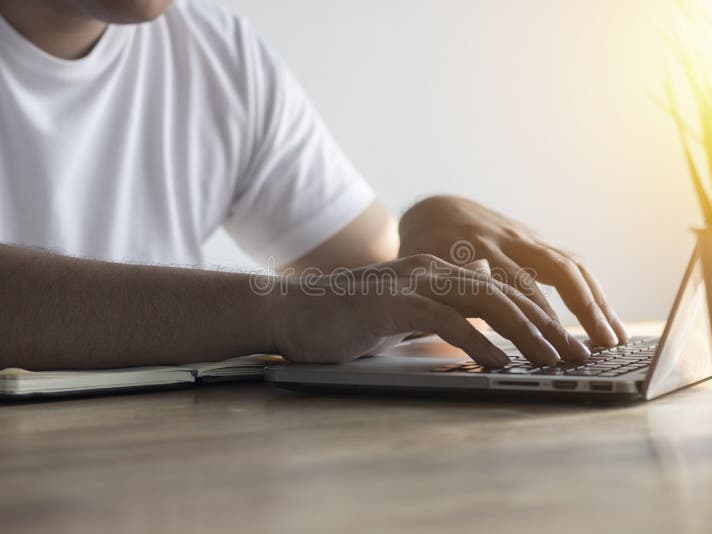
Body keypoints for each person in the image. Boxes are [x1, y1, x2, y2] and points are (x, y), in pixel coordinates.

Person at [0, 0, 627, 372]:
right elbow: (316, 308)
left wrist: (426, 239)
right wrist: (279, 310)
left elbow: (361, 297)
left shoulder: (213, 51)